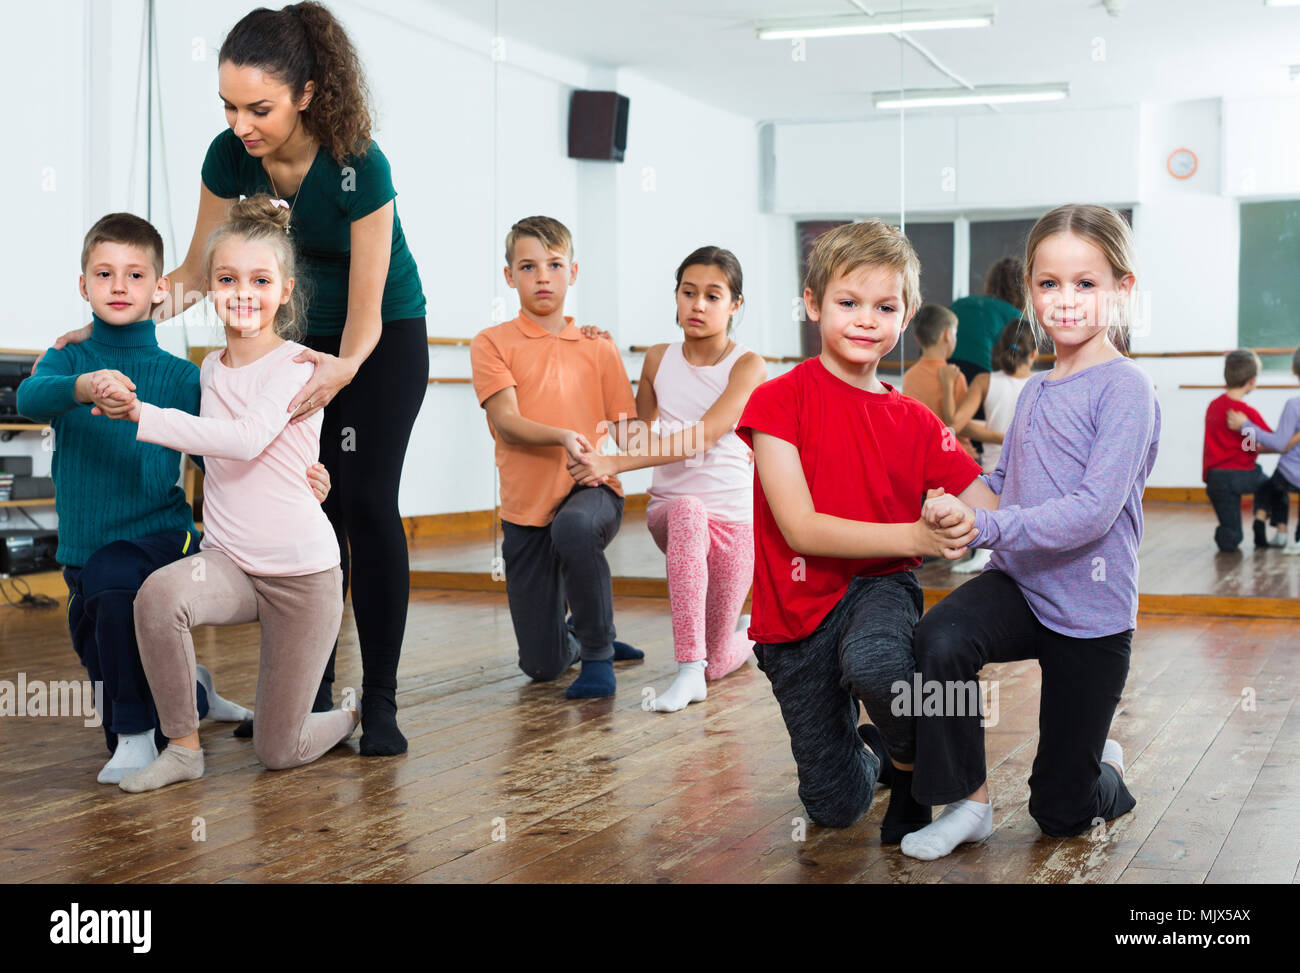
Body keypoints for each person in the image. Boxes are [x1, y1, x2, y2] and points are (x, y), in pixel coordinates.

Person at [46, 2, 426, 755]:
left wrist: (343, 370)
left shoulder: (358, 163)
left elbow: (365, 302)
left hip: (377, 333)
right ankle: (306, 695)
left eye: (259, 107)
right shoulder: (229, 158)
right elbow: (192, 272)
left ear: (308, 94)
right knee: (306, 500)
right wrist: (114, 317)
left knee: (364, 501)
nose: (241, 122)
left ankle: (376, 698)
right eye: (228, 104)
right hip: (290, 326)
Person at [16, 212, 327, 783]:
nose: (118, 286)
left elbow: (233, 444)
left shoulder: (185, 377)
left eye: (135, 275)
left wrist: (305, 475)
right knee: (105, 651)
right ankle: (197, 696)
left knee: (116, 593)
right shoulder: (69, 359)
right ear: (83, 287)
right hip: (84, 549)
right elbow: (32, 397)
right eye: (104, 274)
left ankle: (139, 735)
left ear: (161, 289)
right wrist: (80, 387)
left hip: (164, 535)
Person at [902, 203, 1161, 861]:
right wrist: (957, 508)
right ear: (1029, 293)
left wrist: (987, 523)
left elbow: (1092, 511)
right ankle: (969, 802)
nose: (1065, 300)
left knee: (1061, 812)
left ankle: (1102, 768)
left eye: (1086, 283)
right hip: (1021, 586)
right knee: (940, 636)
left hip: (1091, 612)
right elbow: (1001, 486)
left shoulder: (1126, 389)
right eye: (1049, 284)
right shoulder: (1038, 391)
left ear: (1121, 290)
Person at [96, 196, 359, 792]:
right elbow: (216, 449)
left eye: (260, 280)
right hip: (232, 563)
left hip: (302, 575)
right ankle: (184, 749)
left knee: (278, 751)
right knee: (158, 598)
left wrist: (142, 414)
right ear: (209, 289)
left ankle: (348, 714)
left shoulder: (299, 365)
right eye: (227, 278)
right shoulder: (209, 368)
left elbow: (242, 441)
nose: (244, 292)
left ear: (285, 290)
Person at [735, 220, 983, 842]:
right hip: (792, 614)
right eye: (848, 302)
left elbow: (986, 504)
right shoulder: (776, 401)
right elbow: (801, 529)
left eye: (885, 306)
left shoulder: (921, 423)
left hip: (878, 586)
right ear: (813, 303)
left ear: (907, 316)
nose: (866, 319)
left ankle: (907, 768)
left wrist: (959, 518)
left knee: (877, 665)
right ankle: (868, 752)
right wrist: (918, 537)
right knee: (834, 807)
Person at [567, 246, 766, 712]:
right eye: (688, 292)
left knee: (719, 662)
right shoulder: (658, 359)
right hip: (671, 514)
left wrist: (610, 465)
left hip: (736, 528)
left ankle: (749, 637)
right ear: (675, 297)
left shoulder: (748, 365)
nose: (697, 304)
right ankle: (686, 670)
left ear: (734, 304)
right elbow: (637, 437)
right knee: (688, 510)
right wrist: (603, 353)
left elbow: (705, 436)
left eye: (712, 296)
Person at [470, 216, 644, 700]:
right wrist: (565, 435)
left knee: (576, 528)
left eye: (554, 264)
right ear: (509, 276)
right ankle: (588, 632)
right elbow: (506, 421)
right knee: (541, 667)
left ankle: (597, 653)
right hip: (525, 514)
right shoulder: (491, 343)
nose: (542, 276)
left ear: (573, 272)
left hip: (591, 491)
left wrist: (668, 431)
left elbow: (627, 429)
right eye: (528, 266)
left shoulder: (598, 344)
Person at [939, 318, 1037, 574]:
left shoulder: (985, 380)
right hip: (1031, 477)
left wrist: (948, 385)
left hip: (994, 472)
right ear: (1035, 352)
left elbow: (954, 424)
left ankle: (987, 551)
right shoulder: (1041, 383)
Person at [1205, 349, 1292, 552]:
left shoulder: (1213, 407)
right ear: (1252, 381)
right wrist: (1283, 448)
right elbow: (1261, 444)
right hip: (1243, 475)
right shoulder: (1247, 413)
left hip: (1216, 480)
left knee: (1232, 536)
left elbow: (1242, 445)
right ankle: (1266, 524)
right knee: (1275, 487)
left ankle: (1227, 535)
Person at [1228, 346, 1300, 553]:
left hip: (1289, 471)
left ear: (1295, 371)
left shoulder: (1294, 405)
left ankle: (1267, 524)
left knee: (1269, 488)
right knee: (1274, 490)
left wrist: (1245, 425)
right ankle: (1288, 535)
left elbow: (1279, 443)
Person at [902, 303, 977, 461]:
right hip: (958, 455)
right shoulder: (955, 376)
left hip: (926, 456)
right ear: (947, 335)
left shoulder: (909, 376)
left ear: (917, 339)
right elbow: (960, 426)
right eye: (955, 334)